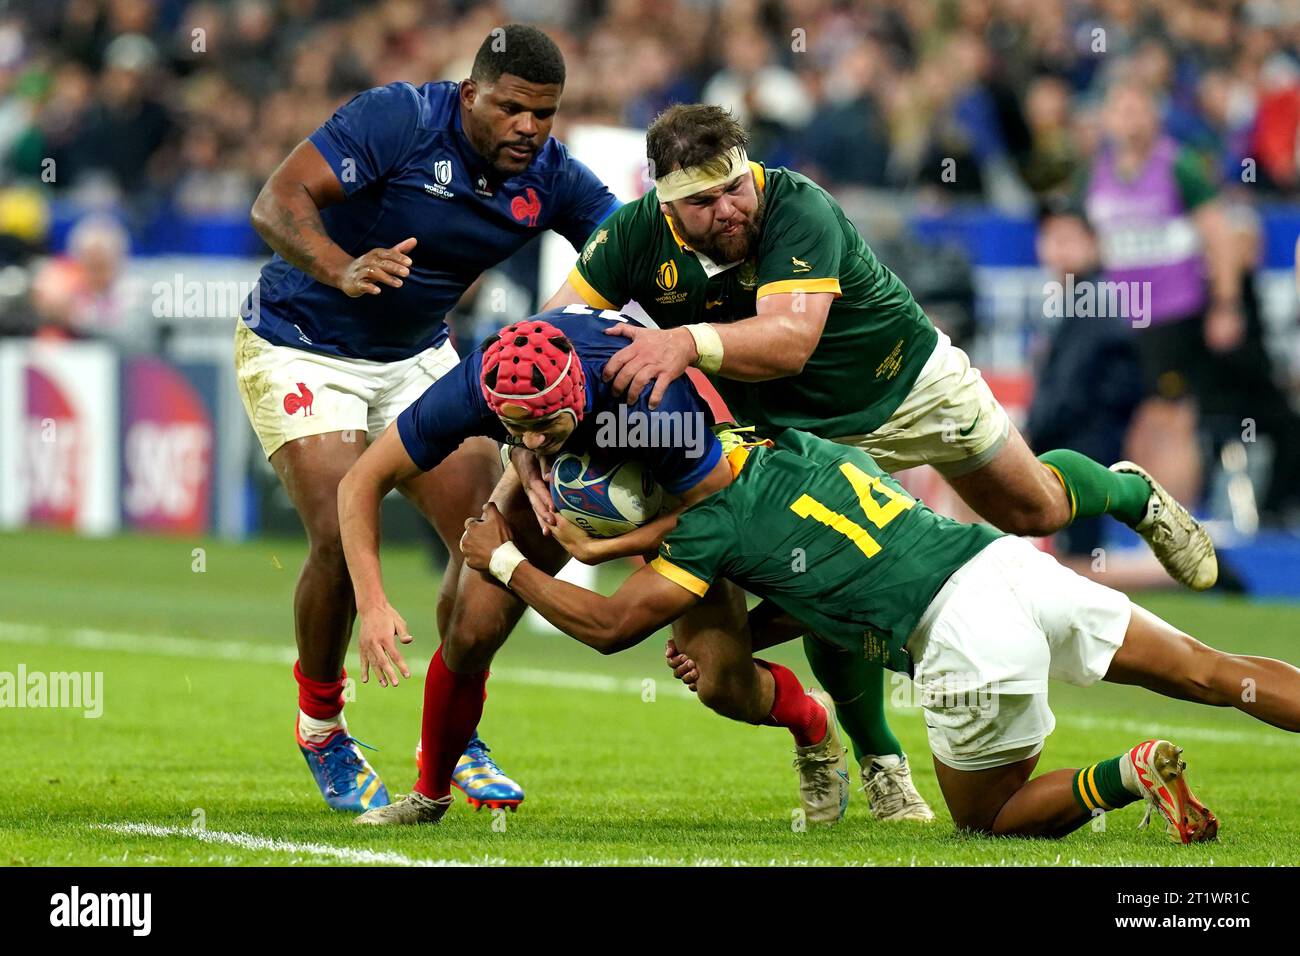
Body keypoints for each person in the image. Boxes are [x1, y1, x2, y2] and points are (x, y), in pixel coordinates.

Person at [534, 102, 1215, 819]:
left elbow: (790, 341)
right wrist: (526, 434)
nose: (730, 208)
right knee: (828, 594)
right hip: (808, 434)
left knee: (1035, 507)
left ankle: (1130, 495)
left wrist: (685, 342)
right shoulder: (632, 238)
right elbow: (549, 333)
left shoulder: (798, 207)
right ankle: (883, 762)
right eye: (704, 200)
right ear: (666, 201)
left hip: (909, 382)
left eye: (736, 186)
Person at [461, 428, 1300, 842]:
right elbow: (825, 581)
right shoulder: (786, 443)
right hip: (1007, 565)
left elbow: (609, 627)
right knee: (1216, 671)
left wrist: (505, 562)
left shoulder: (705, 529)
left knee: (989, 817)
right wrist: (746, 633)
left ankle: (1128, 772)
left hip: (961, 632)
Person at [234, 25, 619, 813]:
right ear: (471, 92)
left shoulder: (551, 177)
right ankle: (321, 724)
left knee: (493, 543)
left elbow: (630, 249)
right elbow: (276, 202)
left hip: (415, 358)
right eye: (512, 108)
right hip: (301, 343)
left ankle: (453, 734)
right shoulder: (399, 120)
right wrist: (341, 269)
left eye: (544, 114)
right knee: (343, 540)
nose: (528, 129)